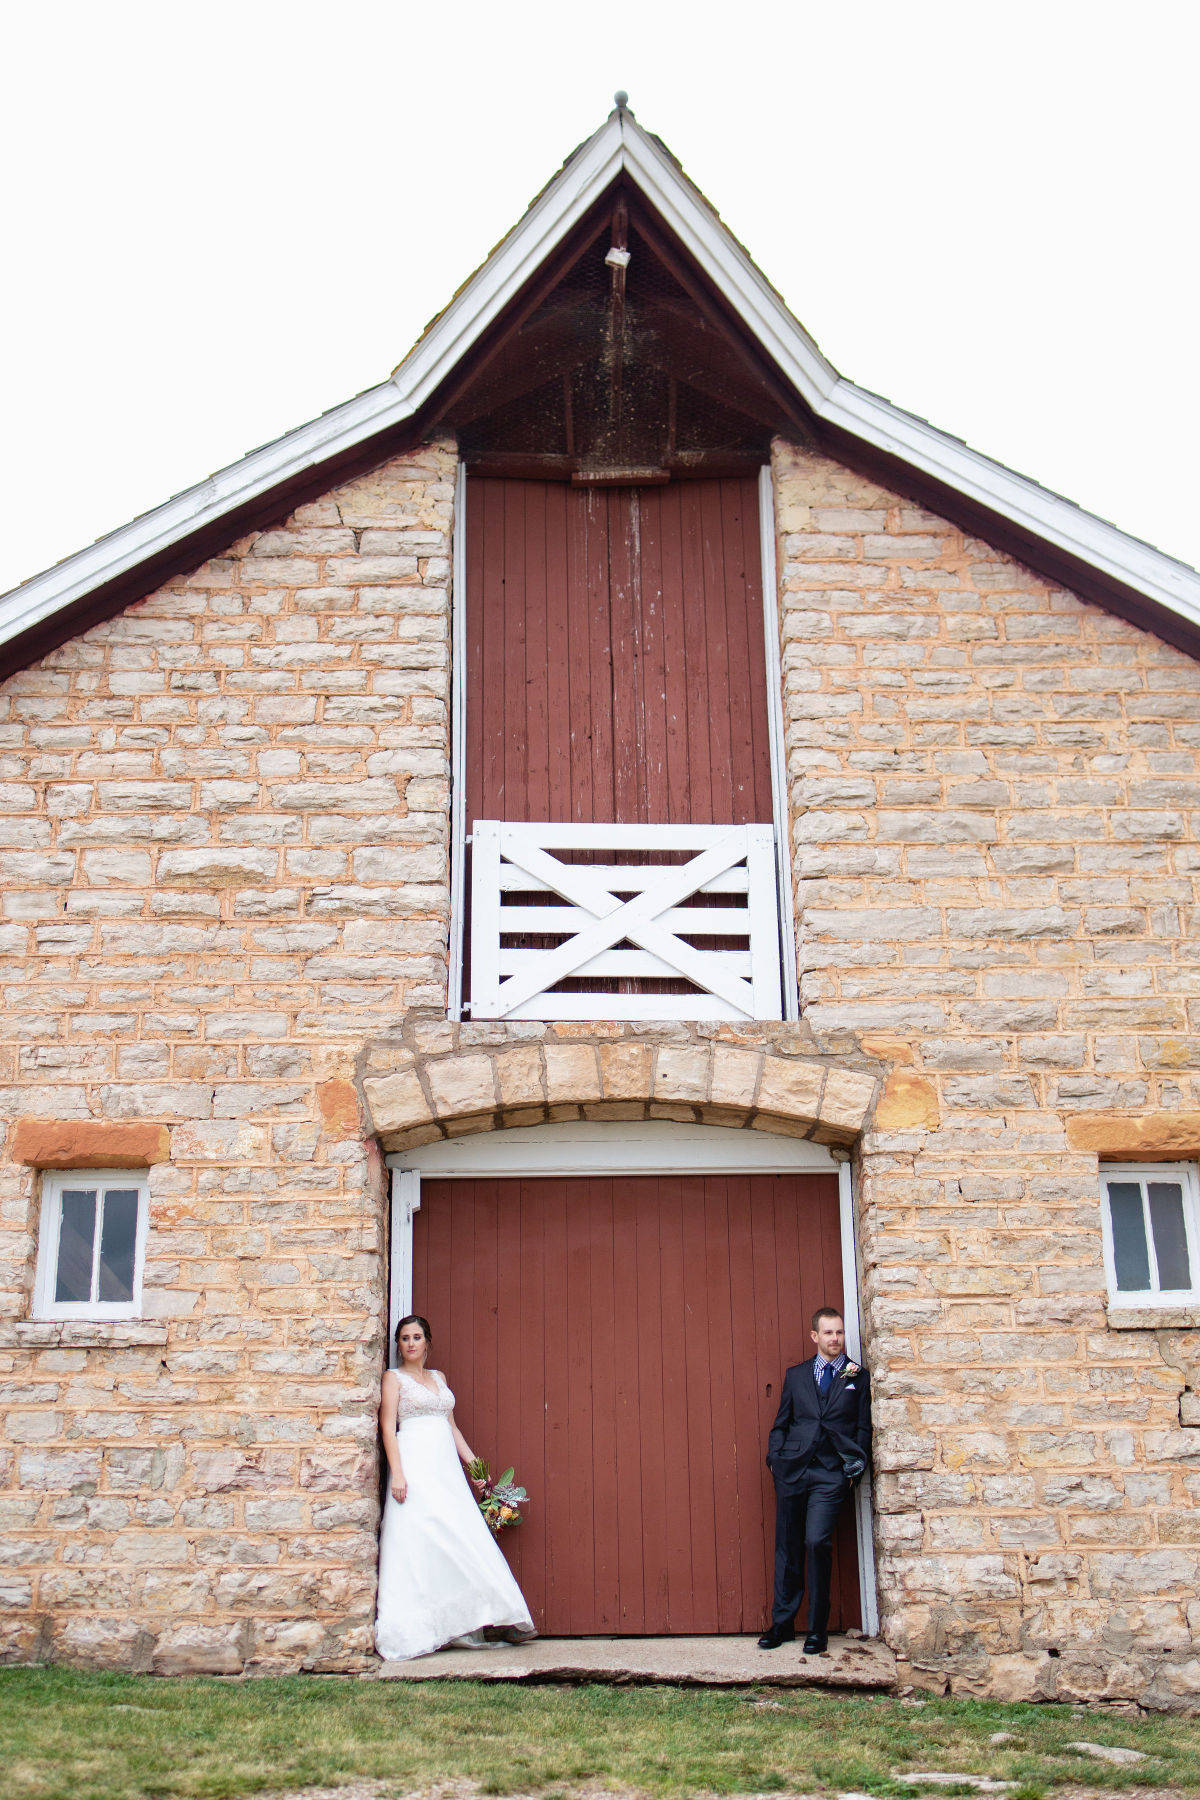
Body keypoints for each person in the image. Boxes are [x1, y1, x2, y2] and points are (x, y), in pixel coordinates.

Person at [375, 1314, 535, 1660]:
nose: (411, 1344)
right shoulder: (393, 1379)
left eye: (417, 1337)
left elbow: (452, 1427)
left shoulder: (438, 1378)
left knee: (463, 1535)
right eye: (405, 1338)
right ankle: (425, 1623)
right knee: (423, 1538)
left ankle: (494, 1614)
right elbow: (388, 1428)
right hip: (415, 1464)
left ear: (427, 1342)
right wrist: (398, 1474)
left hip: (445, 1468)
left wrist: (475, 1466)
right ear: (399, 1345)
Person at [758, 1306, 872, 1655]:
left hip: (830, 1474)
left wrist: (853, 1471)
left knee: (815, 1542)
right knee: (788, 1547)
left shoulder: (857, 1376)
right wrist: (776, 1461)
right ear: (815, 1337)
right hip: (793, 1472)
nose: (835, 1339)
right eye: (828, 1333)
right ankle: (782, 1624)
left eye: (839, 1333)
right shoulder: (796, 1376)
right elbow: (782, 1422)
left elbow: (864, 1427)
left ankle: (817, 1629)